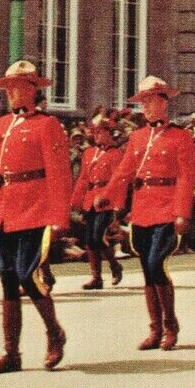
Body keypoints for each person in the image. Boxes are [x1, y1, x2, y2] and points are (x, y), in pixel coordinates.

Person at [0, 61, 73, 374]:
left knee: (29, 275)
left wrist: (59, 218)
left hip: (36, 210)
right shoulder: (0, 127)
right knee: (8, 281)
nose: (13, 93)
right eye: (10, 87)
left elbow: (59, 174)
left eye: (20, 87)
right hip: (6, 212)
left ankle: (54, 332)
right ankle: (11, 353)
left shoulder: (47, 124)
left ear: (33, 89)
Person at [101, 76, 195, 351]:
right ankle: (154, 329)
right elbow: (124, 171)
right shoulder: (137, 137)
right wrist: (107, 195)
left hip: (168, 209)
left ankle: (170, 326)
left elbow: (186, 177)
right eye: (143, 101)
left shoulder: (181, 136)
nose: (146, 106)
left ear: (164, 102)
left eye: (151, 100)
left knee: (157, 264)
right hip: (143, 209)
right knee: (146, 268)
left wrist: (182, 213)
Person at [69, 114, 125, 290]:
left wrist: (118, 204)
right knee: (89, 239)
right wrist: (75, 200)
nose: (97, 136)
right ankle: (97, 277)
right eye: (95, 133)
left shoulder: (116, 154)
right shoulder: (89, 153)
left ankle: (114, 265)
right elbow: (83, 179)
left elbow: (119, 180)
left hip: (106, 199)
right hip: (90, 197)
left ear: (110, 134)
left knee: (97, 236)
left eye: (101, 133)